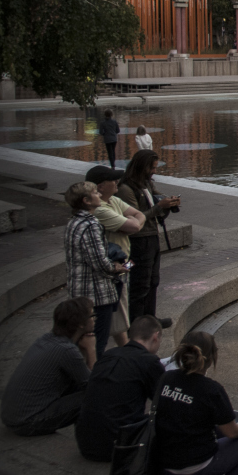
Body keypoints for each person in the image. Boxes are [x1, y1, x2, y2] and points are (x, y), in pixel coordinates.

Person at [157, 334, 238, 475]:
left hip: (162, 460)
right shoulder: (212, 390)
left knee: (216, 428)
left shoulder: (165, 378)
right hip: (193, 467)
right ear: (211, 358)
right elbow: (232, 432)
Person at [0, 297, 94, 436]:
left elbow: (80, 377)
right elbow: (94, 385)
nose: (94, 319)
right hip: (27, 422)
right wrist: (91, 349)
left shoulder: (46, 339)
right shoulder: (67, 350)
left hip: (12, 416)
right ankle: (90, 440)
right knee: (94, 395)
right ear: (80, 324)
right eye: (92, 316)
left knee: (78, 386)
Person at [75, 314, 163, 461]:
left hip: (85, 443)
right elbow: (162, 401)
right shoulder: (150, 362)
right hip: (119, 445)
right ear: (155, 336)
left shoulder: (109, 355)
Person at [65, 180, 130, 357]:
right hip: (97, 294)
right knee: (97, 343)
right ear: (86, 200)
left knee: (82, 341)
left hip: (79, 290)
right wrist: (116, 268)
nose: (99, 196)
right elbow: (99, 262)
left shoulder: (74, 222)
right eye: (95, 193)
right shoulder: (91, 224)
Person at [117, 150, 179, 325]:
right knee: (140, 283)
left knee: (153, 280)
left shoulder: (146, 184)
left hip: (152, 238)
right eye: (151, 167)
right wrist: (159, 206)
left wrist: (168, 205)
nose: (154, 171)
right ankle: (136, 323)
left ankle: (150, 318)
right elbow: (136, 219)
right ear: (141, 166)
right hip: (138, 241)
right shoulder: (126, 189)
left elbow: (156, 211)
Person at [88, 164, 144, 348]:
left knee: (120, 312)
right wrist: (131, 224)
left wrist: (131, 223)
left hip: (122, 264)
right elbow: (135, 226)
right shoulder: (101, 210)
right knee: (113, 313)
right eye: (112, 180)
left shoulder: (114, 200)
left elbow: (138, 215)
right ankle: (121, 353)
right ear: (100, 187)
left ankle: (126, 350)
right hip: (111, 268)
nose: (117, 182)